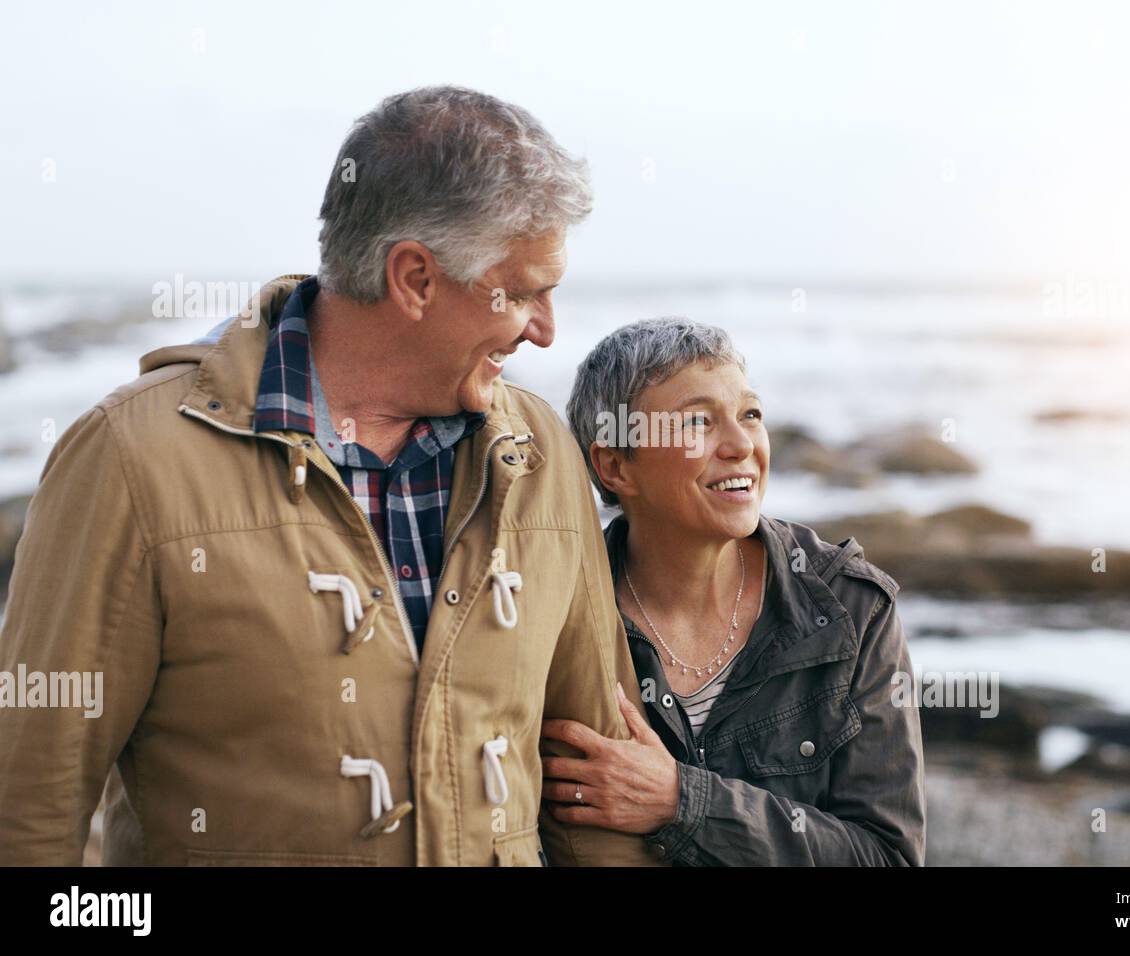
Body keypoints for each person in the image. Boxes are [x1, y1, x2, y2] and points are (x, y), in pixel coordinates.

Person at [0, 87, 659, 867]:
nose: (546, 331)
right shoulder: (129, 458)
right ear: (413, 277)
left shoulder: (541, 453)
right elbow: (29, 807)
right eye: (519, 293)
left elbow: (593, 788)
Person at [544, 317, 926, 865]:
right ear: (613, 464)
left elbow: (888, 856)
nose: (741, 444)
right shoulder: (556, 610)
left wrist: (684, 802)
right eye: (697, 422)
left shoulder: (849, 608)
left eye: (750, 414)